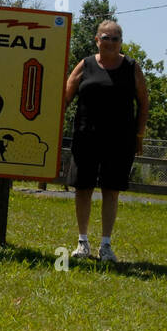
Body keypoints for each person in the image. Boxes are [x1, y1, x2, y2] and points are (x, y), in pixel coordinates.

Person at [63, 19, 149, 262]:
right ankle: (82, 242)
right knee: (83, 188)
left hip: (119, 140)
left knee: (111, 191)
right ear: (96, 40)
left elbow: (144, 102)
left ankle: (106, 245)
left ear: (121, 42)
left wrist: (139, 134)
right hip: (85, 137)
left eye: (115, 39)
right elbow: (66, 97)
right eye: (105, 37)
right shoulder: (85, 65)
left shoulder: (132, 67)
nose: (110, 43)